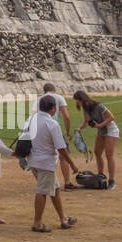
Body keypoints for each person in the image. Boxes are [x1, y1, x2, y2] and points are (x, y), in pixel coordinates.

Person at [25, 94, 81, 232]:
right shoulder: (52, 123)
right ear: (53, 109)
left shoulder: (31, 119)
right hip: (46, 163)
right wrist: (72, 163)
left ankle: (63, 218)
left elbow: (24, 139)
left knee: (55, 189)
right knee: (42, 191)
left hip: (33, 161)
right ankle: (37, 223)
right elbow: (61, 147)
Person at [73, 90, 118, 189]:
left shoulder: (99, 106)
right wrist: (79, 128)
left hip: (111, 130)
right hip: (101, 130)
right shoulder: (85, 109)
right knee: (97, 153)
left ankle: (112, 181)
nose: (77, 103)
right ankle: (101, 174)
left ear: (82, 99)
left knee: (109, 155)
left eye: (77, 101)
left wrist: (99, 125)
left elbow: (111, 117)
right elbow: (86, 121)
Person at [40, 82, 75, 190]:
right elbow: (66, 117)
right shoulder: (59, 97)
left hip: (41, 130)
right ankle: (67, 182)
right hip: (55, 128)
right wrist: (68, 131)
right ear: (54, 90)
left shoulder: (40, 99)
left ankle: (47, 181)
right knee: (64, 155)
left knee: (45, 154)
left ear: (44, 91)